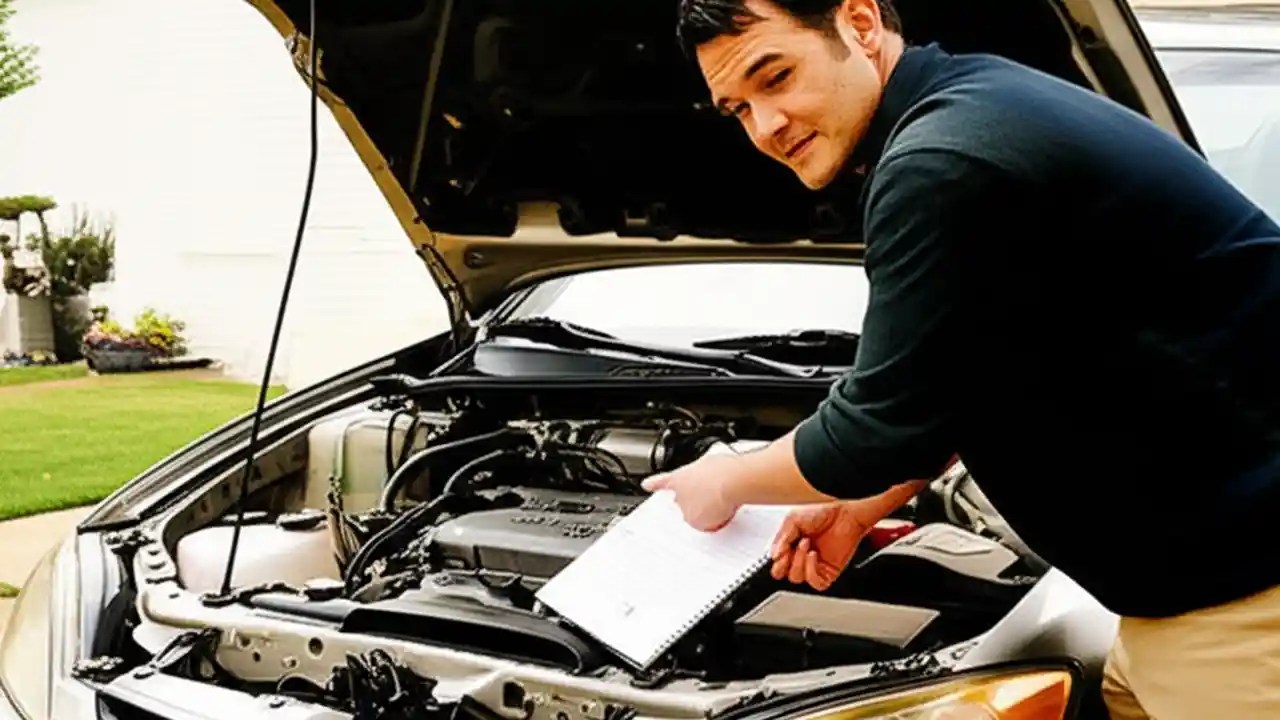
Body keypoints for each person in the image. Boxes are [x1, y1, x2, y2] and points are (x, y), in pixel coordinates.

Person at [641, 0, 1280, 717]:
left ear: (858, 21)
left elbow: (869, 430)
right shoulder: (973, 104)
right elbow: (978, 366)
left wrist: (728, 483)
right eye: (738, 110)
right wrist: (857, 509)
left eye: (776, 75)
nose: (766, 125)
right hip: (1177, 607)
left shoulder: (941, 161)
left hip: (1243, 611)